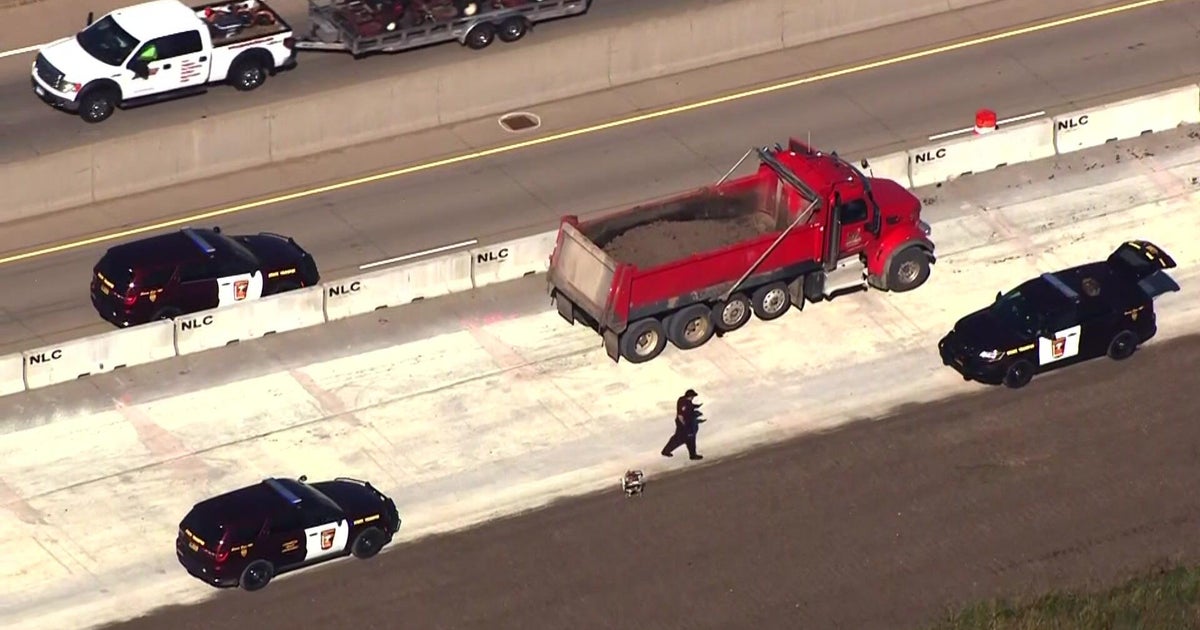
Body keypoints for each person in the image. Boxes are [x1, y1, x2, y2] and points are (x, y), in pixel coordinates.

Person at [661, 389, 703, 460]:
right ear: (690, 396)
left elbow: (689, 406)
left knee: (690, 438)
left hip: (688, 424)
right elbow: (680, 415)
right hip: (683, 424)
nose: (693, 398)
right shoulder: (683, 402)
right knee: (679, 438)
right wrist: (684, 425)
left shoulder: (685, 400)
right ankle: (666, 451)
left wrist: (696, 406)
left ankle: (693, 455)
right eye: (692, 396)